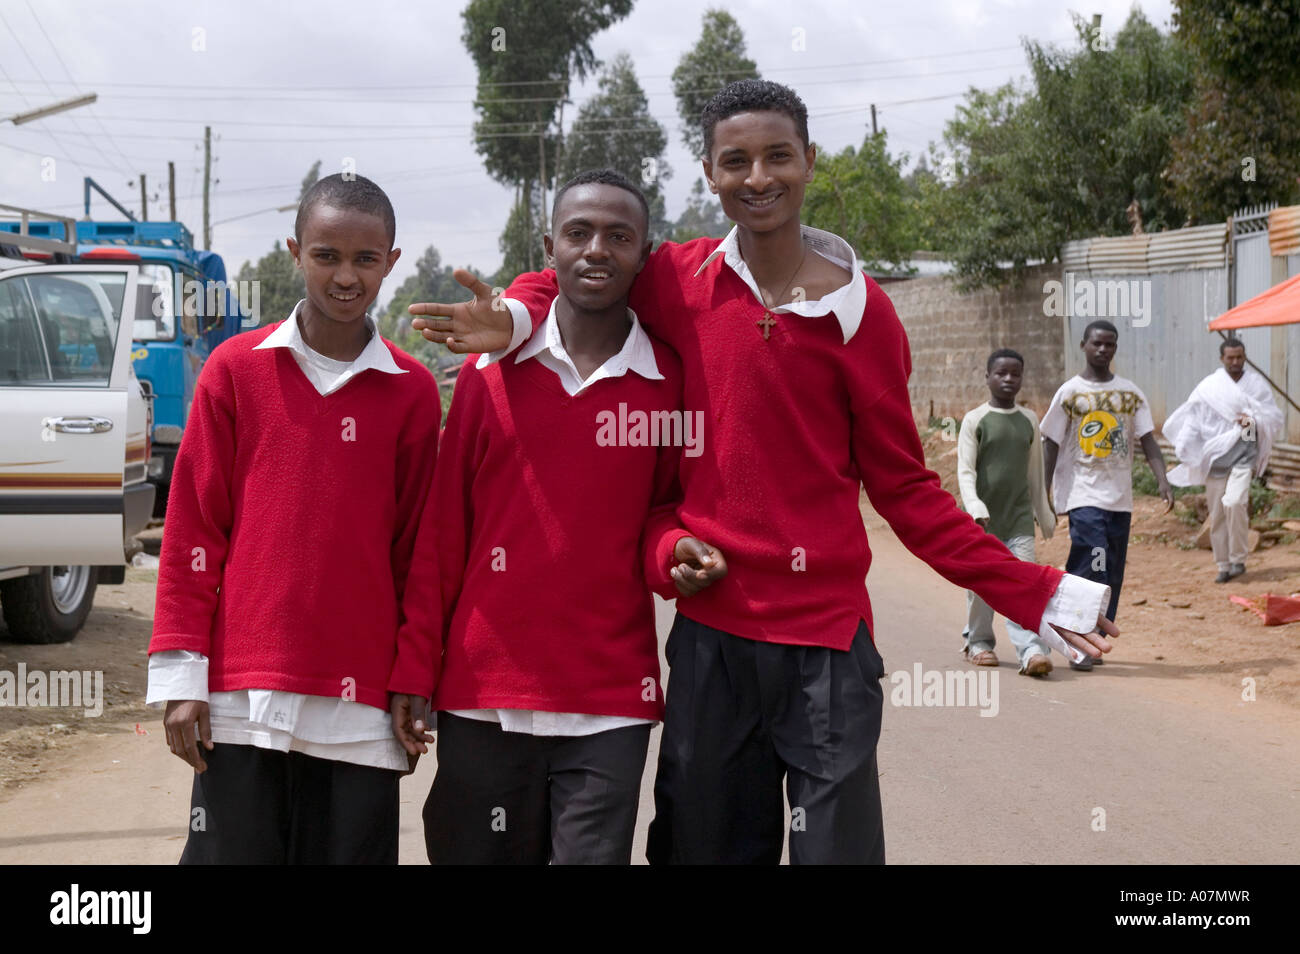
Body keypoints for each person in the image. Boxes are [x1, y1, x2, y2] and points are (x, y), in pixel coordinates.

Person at [410, 80, 1115, 865]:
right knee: (701, 848)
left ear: (811, 161)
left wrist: (1032, 589)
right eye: (735, 161)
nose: (758, 178)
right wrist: (512, 316)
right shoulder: (678, 281)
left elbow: (907, 491)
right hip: (712, 644)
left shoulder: (864, 315)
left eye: (778, 156)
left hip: (828, 649)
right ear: (709, 174)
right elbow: (582, 272)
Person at [408, 169, 726, 865]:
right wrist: (415, 669)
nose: (596, 250)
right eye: (578, 233)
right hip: (481, 693)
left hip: (609, 697)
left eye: (619, 236)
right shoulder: (487, 376)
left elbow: (665, 508)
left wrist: (673, 550)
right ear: (549, 246)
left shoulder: (669, 383)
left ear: (645, 254)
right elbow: (442, 536)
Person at [147, 174, 442, 864]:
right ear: (294, 252)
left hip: (361, 706)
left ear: (391, 261)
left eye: (365, 260)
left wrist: (413, 676)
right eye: (326, 255)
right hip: (242, 703)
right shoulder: (233, 372)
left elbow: (419, 550)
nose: (346, 276)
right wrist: (183, 679)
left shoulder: (412, 391)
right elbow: (194, 529)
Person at [1041, 319, 1173, 671]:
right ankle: (1078, 643)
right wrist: (1044, 490)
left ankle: (1093, 638)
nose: (1103, 350)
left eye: (1110, 344)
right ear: (1083, 345)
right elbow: (1051, 442)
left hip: (1120, 499)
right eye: (1097, 343)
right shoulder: (1070, 392)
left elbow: (1148, 440)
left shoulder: (1130, 393)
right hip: (1083, 495)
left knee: (1111, 572)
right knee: (1091, 565)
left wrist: (1162, 480)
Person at [957, 348, 1058, 677]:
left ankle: (1031, 650)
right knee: (983, 585)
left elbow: (1035, 472)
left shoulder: (1028, 420)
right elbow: (965, 472)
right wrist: (973, 505)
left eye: (1015, 374)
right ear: (987, 377)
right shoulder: (975, 420)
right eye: (1001, 373)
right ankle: (979, 642)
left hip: (1018, 519)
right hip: (983, 521)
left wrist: (1044, 514)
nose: (1008, 379)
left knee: (1023, 584)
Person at [1162, 337, 1283, 583]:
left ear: (1245, 356)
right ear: (1222, 359)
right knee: (1217, 514)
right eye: (1231, 358)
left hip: (1243, 458)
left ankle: (1239, 558)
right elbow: (1194, 419)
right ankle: (1224, 564)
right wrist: (1186, 448)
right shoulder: (1209, 387)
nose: (1236, 361)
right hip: (1215, 460)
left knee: (1236, 502)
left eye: (1240, 357)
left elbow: (1271, 418)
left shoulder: (1256, 385)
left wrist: (1252, 422)